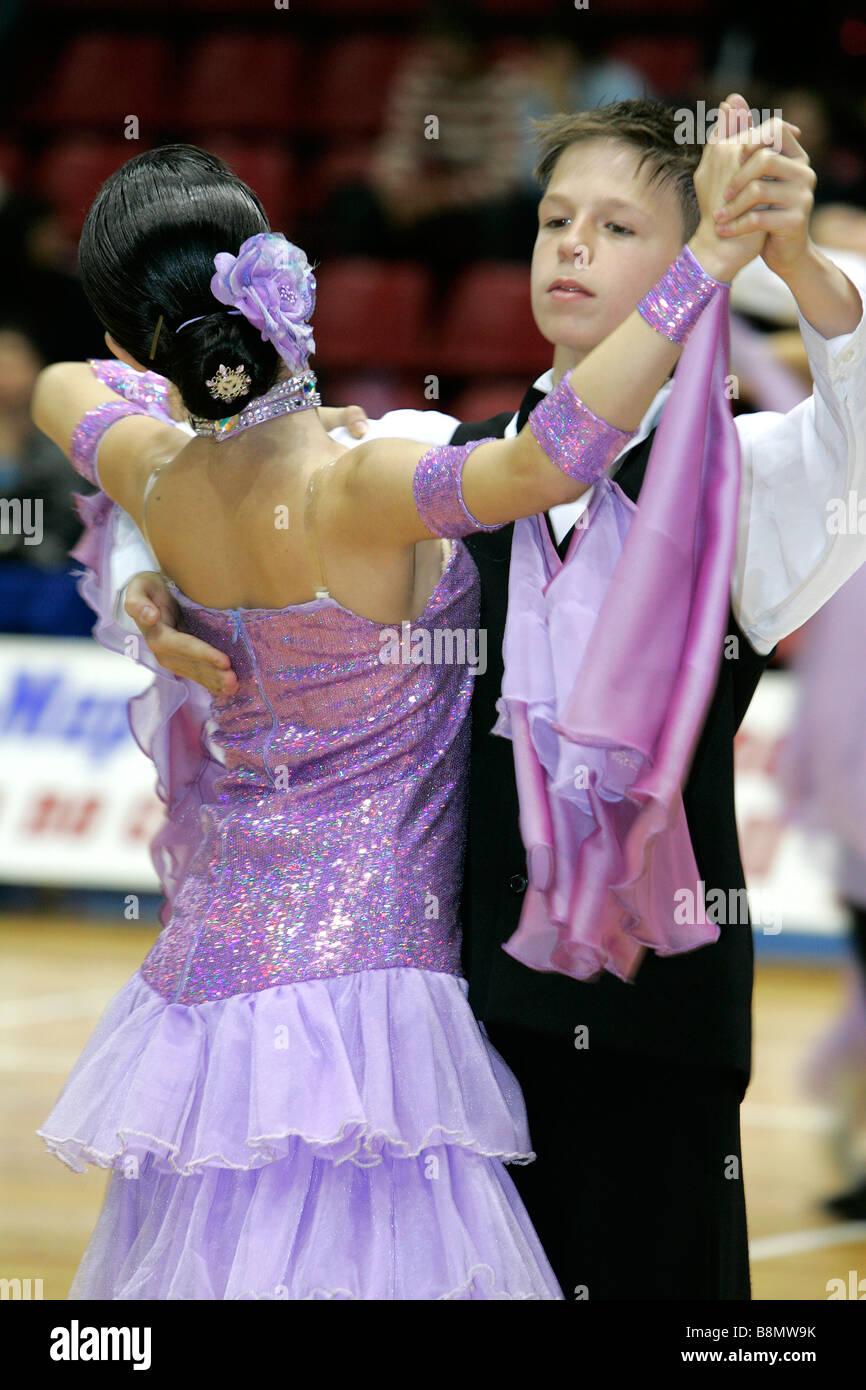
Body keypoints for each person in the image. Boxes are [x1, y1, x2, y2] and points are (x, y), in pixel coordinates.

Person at [87, 95, 866, 1298]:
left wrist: (795, 261)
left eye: (616, 228)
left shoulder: (745, 480)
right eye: (557, 218)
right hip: (462, 1032)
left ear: (689, 263)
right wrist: (151, 582)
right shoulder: (438, 452)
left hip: (657, 1034)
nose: (569, 245)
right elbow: (216, 470)